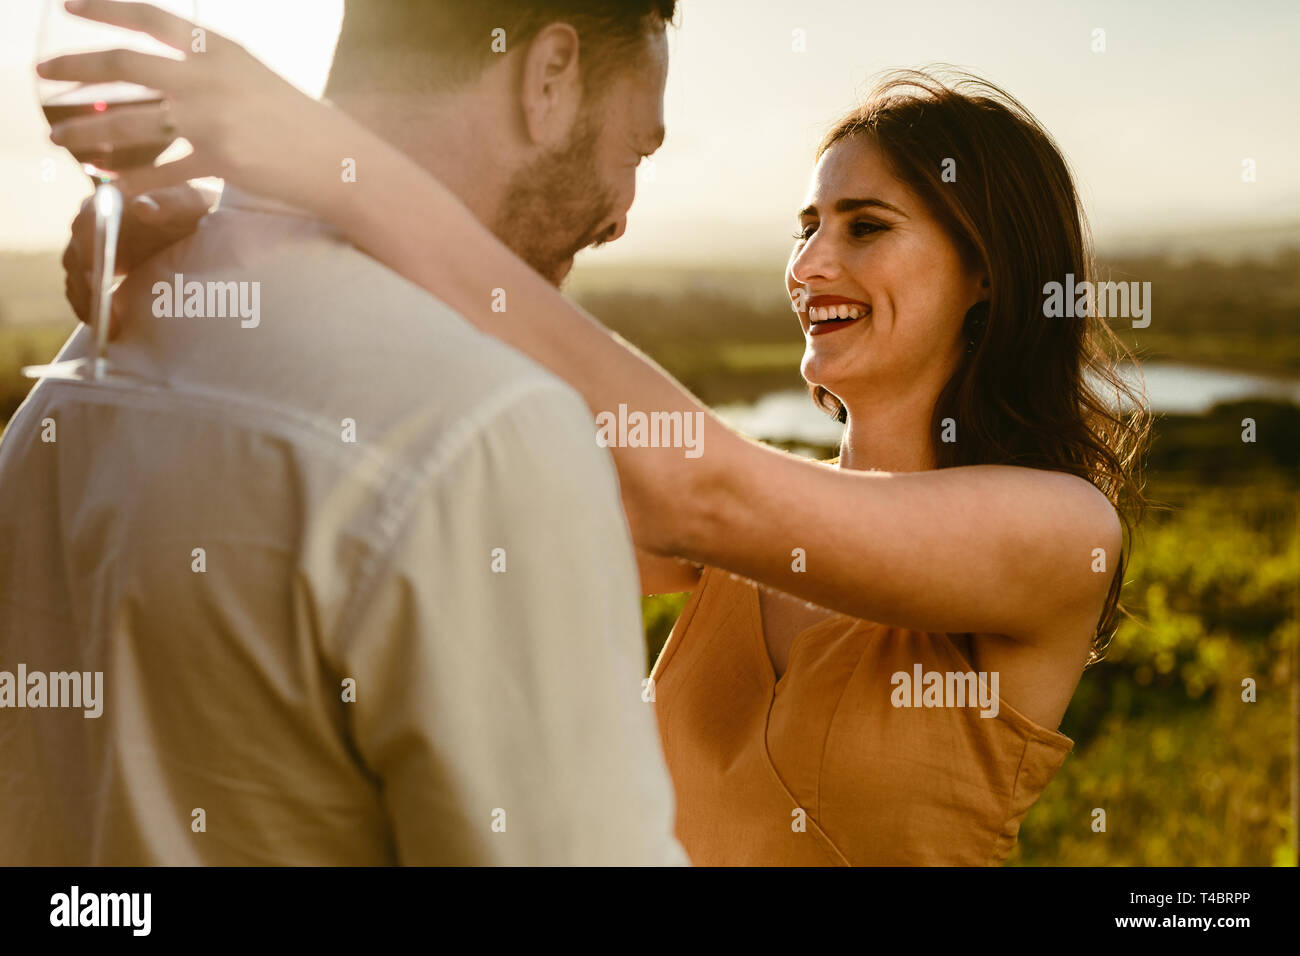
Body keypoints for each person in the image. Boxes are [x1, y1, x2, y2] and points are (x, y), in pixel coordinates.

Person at [45, 4, 1151, 865]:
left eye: (865, 228)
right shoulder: (737, 529)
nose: (811, 267)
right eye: (806, 227)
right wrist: (240, 273)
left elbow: (695, 484)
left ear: (989, 272)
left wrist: (337, 162)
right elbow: (410, 486)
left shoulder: (1058, 532)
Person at [0, 0, 688, 865]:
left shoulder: (80, 375)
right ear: (547, 75)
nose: (622, 213)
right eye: (637, 149)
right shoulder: (484, 433)